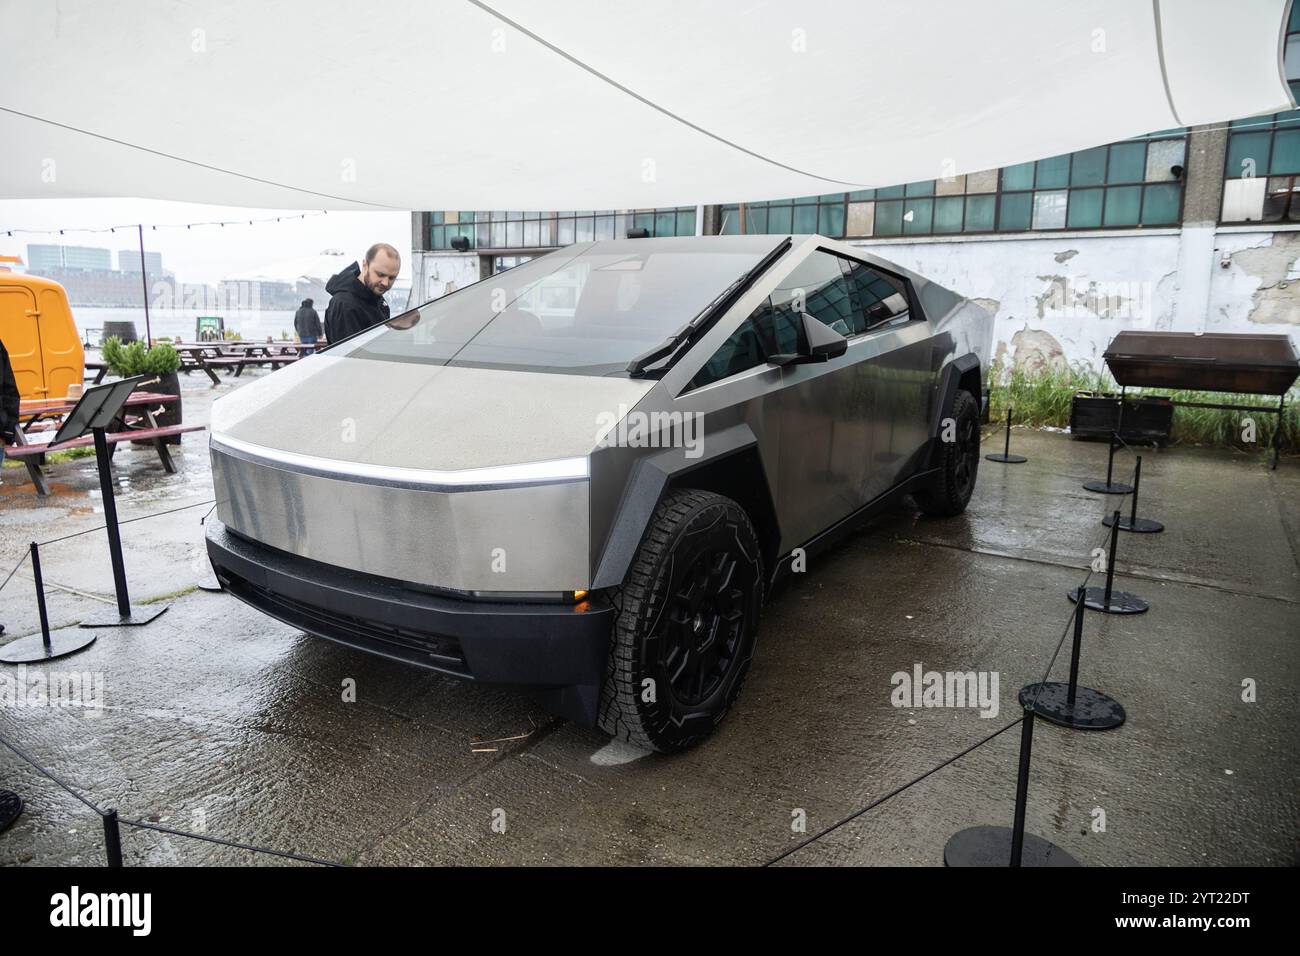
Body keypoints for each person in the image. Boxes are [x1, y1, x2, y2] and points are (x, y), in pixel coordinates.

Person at [322, 243, 401, 344]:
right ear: (365, 265)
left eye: (392, 278)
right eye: (380, 274)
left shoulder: (377, 299)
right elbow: (349, 355)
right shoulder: (344, 304)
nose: (385, 283)